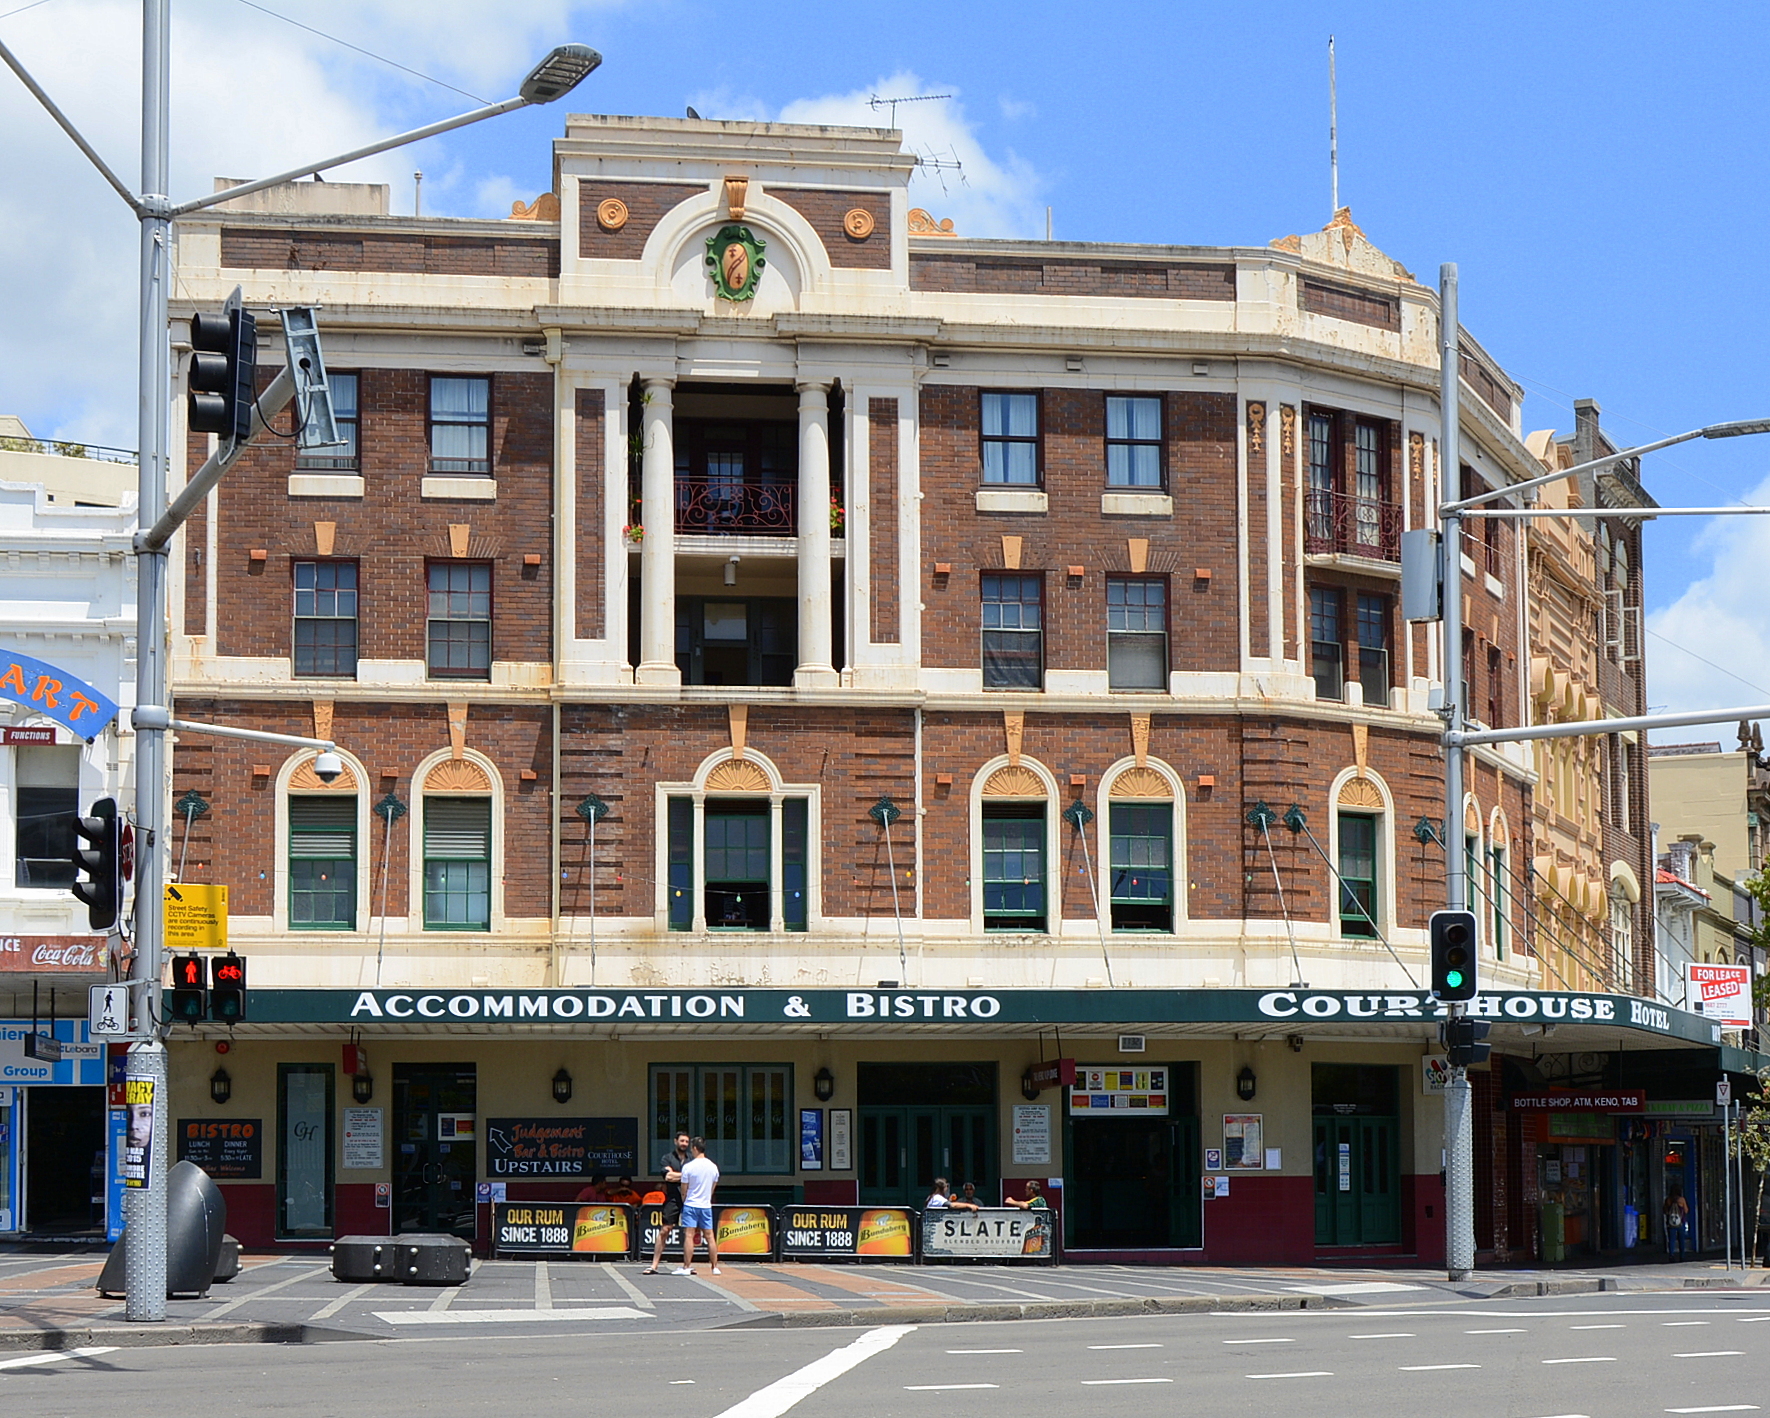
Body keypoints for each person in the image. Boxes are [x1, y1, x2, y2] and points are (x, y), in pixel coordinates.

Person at [644, 1130, 691, 1274]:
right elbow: (668, 1177)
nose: (684, 1144)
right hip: (672, 1199)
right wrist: (687, 1175)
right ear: (675, 1141)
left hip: (689, 1198)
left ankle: (687, 1266)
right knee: (665, 1230)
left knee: (690, 1232)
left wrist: (677, 1175)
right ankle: (654, 1265)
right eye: (682, 1141)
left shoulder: (692, 1159)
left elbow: (690, 1177)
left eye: (687, 1142)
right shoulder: (667, 1158)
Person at [675, 1136, 721, 1277]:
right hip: (706, 1205)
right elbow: (713, 1187)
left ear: (694, 1148)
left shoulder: (688, 1167)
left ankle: (686, 1266)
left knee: (689, 1236)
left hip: (691, 1204)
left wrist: (685, 1199)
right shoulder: (713, 1167)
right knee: (710, 1237)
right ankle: (714, 1267)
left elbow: (684, 1188)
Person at [1663, 1185, 1690, 1260]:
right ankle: (1682, 1256)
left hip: (1671, 1223)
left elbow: (1665, 1211)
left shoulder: (1668, 1200)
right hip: (1681, 1222)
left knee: (1671, 1240)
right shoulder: (1681, 1200)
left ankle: (1671, 1255)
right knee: (1681, 1240)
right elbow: (1686, 1210)